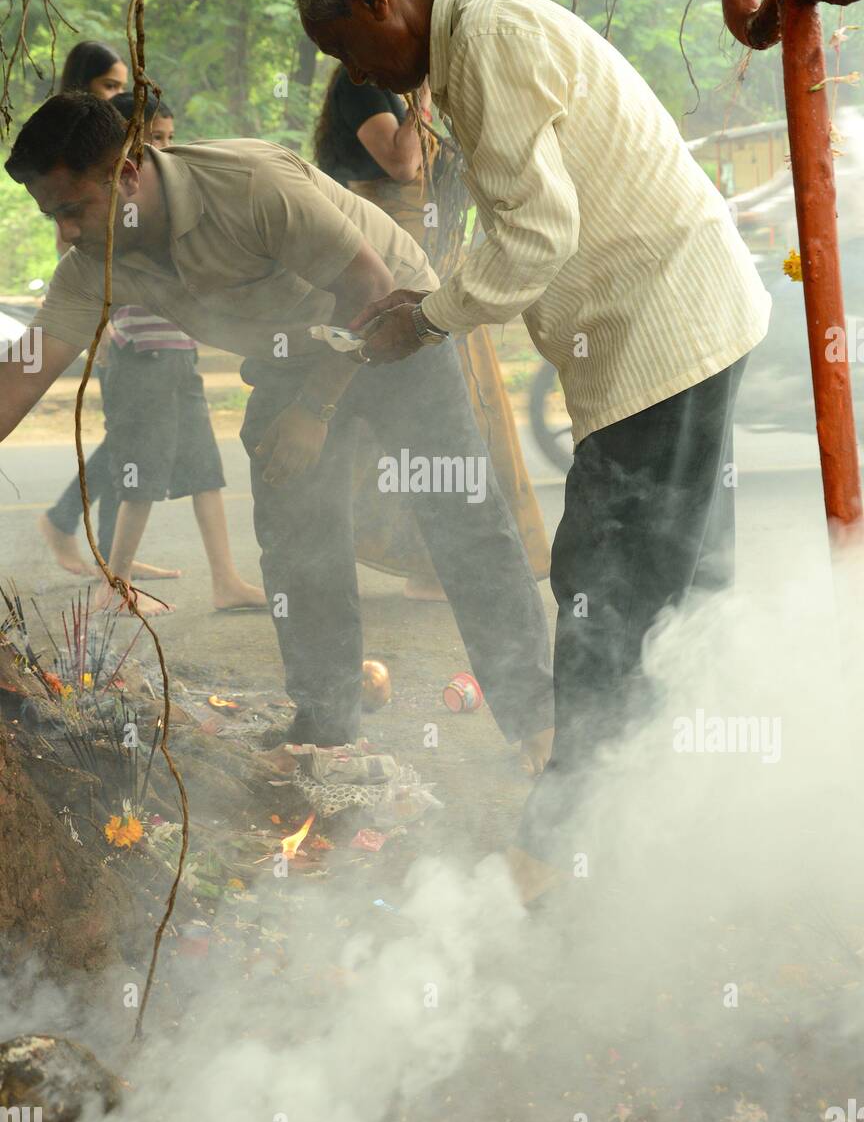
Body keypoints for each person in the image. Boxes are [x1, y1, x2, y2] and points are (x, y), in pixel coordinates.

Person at [290, 0, 773, 897]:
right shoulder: (484, 36)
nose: (360, 73)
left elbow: (534, 238)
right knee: (678, 595)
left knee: (604, 596)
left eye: (348, 49)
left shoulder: (490, 45)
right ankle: (684, 825)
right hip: (683, 324)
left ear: (376, 2)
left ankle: (557, 858)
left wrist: (424, 317)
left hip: (663, 335)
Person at [0, 92, 554, 771]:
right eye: (50, 216)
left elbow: (368, 289)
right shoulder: (94, 263)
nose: (64, 234)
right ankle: (326, 728)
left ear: (128, 174)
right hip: (292, 354)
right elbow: (22, 375)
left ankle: (540, 724)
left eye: (72, 209)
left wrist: (314, 413)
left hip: (394, 321)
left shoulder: (249, 186)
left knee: (460, 519)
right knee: (296, 536)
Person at [314, 64, 550, 600]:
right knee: (429, 420)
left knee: (455, 414)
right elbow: (402, 163)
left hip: (433, 273)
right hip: (394, 277)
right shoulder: (364, 84)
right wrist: (419, 91)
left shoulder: (397, 95)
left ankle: (436, 564)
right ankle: (429, 563)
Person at [93, 90, 266, 616]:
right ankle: (115, 585)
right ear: (126, 146)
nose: (165, 149)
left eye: (170, 138)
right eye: (154, 140)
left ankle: (226, 581)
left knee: (204, 471)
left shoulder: (171, 194)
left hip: (177, 353)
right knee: (140, 477)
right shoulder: (119, 202)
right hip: (142, 357)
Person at [38, 41, 174, 583]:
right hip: (114, 313)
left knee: (136, 435)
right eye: (111, 87)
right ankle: (68, 522)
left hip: (149, 322)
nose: (121, 99)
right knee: (132, 431)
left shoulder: (138, 169)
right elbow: (68, 249)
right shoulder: (69, 162)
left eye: (124, 88)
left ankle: (111, 549)